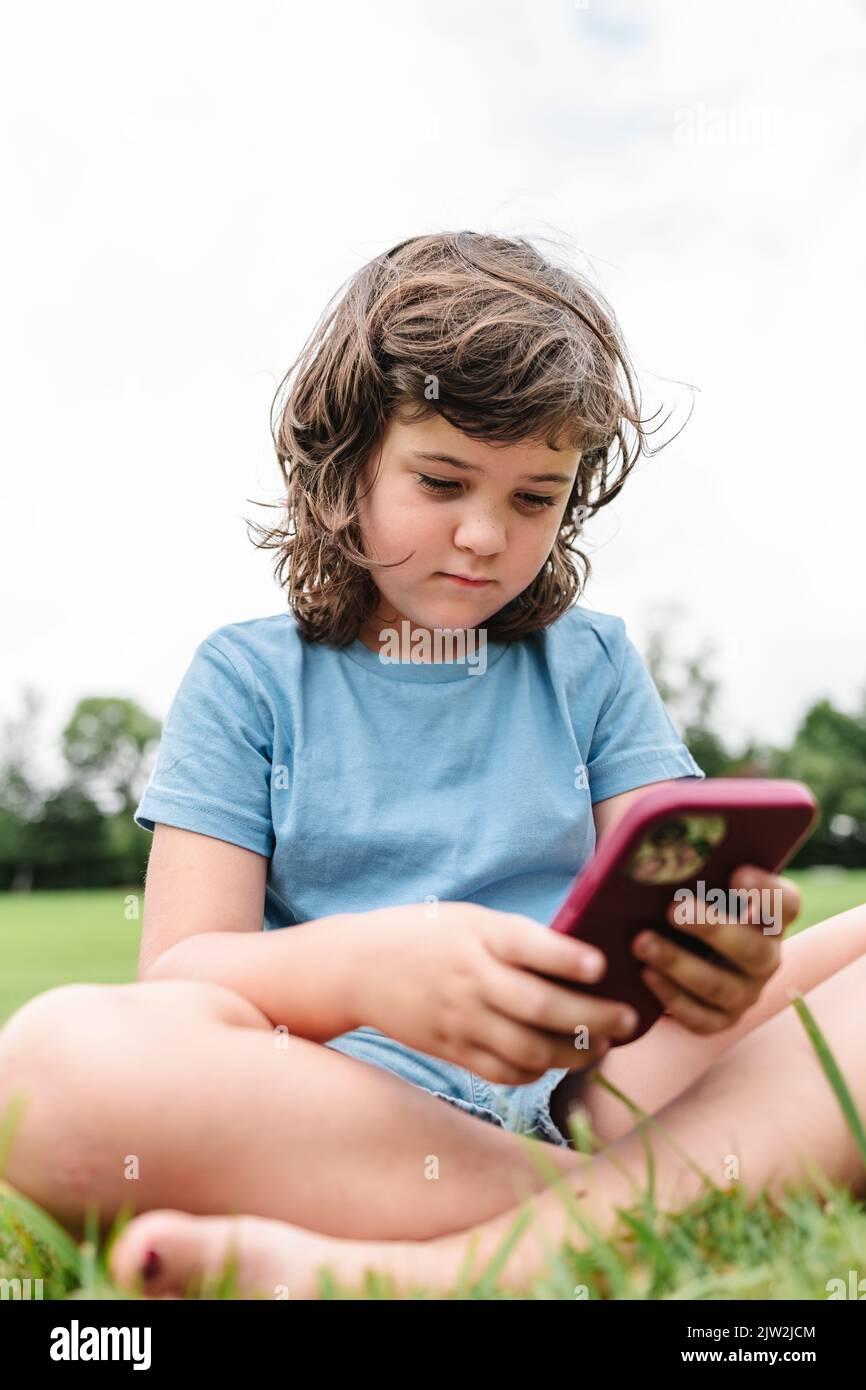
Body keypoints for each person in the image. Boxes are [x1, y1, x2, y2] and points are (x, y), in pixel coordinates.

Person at [1, 231, 863, 1301]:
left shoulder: (587, 661)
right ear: (343, 460)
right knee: (49, 1066)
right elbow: (180, 977)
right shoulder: (244, 679)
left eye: (533, 498)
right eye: (442, 479)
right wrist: (369, 969)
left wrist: (727, 934)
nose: (483, 536)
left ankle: (475, 1259)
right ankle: (660, 1200)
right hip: (341, 1106)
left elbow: (674, 872)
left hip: (602, 1082)